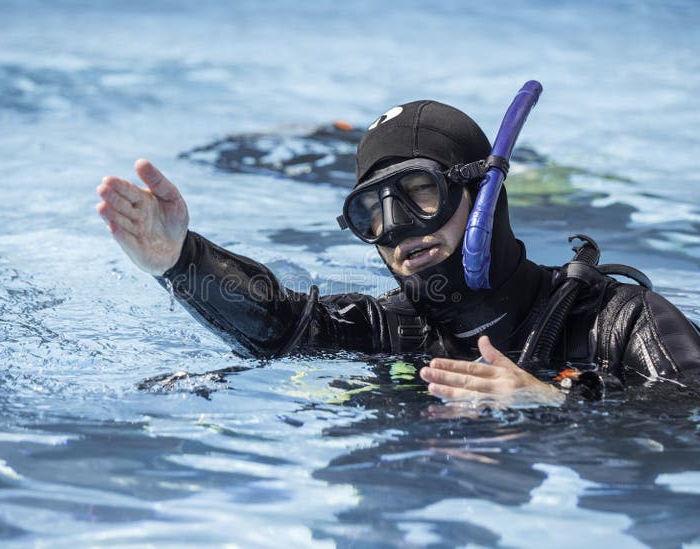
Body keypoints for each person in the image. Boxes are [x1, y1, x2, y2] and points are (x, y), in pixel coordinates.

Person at [96, 98, 700, 406]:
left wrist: (554, 401)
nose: (401, 229)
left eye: (421, 194)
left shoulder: (622, 324)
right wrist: (181, 260)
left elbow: (686, 424)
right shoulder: (392, 329)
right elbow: (279, 324)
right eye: (372, 213)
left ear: (483, 192)